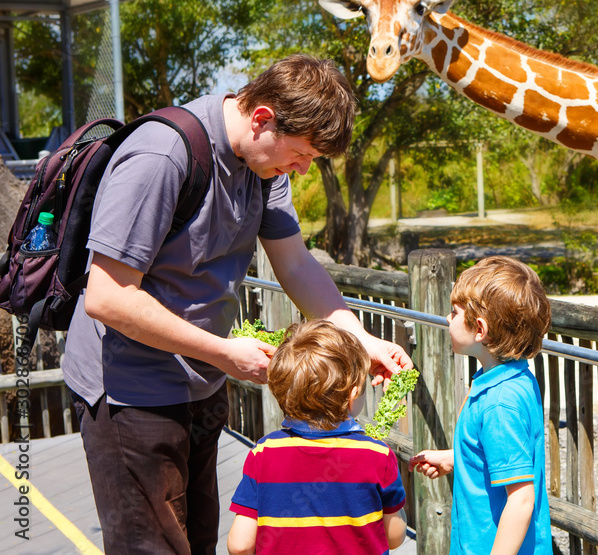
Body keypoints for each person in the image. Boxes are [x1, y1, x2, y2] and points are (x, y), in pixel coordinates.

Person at [63, 54, 413, 554]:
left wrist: (361, 338)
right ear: (262, 118)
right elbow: (107, 296)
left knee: (199, 539)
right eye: (301, 154)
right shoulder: (164, 155)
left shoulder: (265, 165)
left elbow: (294, 264)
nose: (301, 168)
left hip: (201, 381)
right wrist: (224, 353)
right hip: (129, 388)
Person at [408, 255, 552, 554]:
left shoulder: (499, 404)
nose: (447, 319)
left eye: (454, 313)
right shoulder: (513, 378)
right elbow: (503, 452)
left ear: (480, 329)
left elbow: (521, 499)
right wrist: (457, 457)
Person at [227, 320, 407, 555]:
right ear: (352, 394)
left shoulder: (264, 452)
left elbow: (239, 545)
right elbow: (394, 537)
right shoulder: (377, 455)